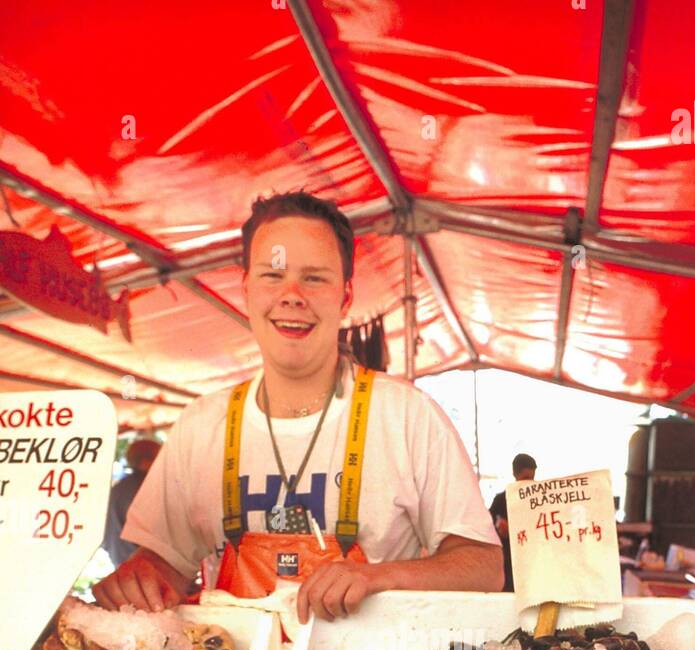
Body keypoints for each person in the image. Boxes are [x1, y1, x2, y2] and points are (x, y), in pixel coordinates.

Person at [94, 192, 502, 620]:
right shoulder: (201, 425)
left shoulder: (407, 416)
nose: (292, 296)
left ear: (345, 297)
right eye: (273, 276)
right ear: (247, 288)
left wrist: (382, 577)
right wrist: (141, 575)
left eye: (314, 278)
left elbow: (484, 567)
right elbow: (164, 564)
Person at [102, 438, 161, 568]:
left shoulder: (117, 489)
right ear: (147, 461)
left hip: (123, 569)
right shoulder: (147, 489)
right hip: (149, 572)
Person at [489, 453, 536, 591]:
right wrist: (499, 528)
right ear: (515, 475)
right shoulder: (501, 500)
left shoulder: (537, 499)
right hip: (508, 567)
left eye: (532, 478)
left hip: (531, 564)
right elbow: (488, 528)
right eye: (526, 478)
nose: (529, 483)